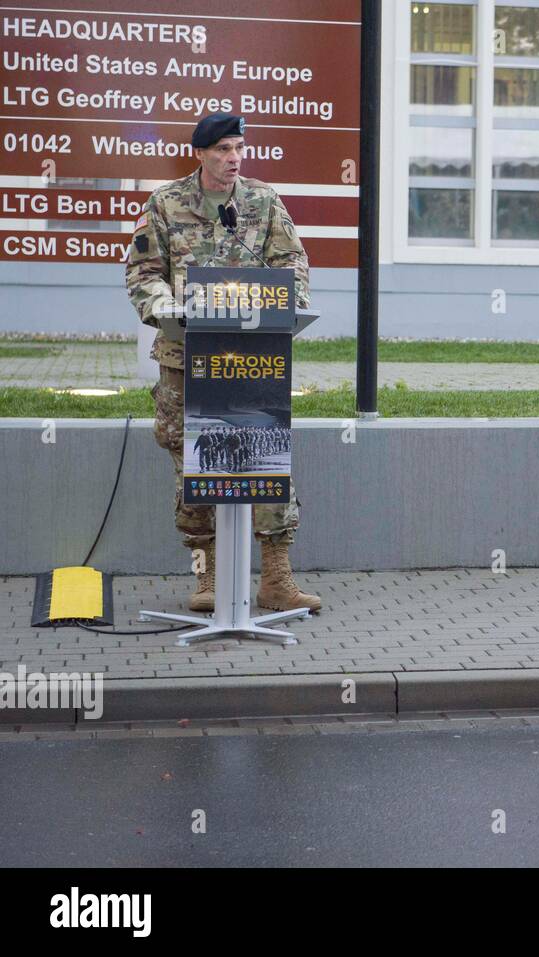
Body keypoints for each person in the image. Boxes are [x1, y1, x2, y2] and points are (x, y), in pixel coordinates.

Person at [125, 112, 321, 615]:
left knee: (265, 456)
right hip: (186, 359)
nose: (234, 159)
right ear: (200, 153)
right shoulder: (165, 204)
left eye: (238, 148)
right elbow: (144, 271)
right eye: (223, 150)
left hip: (253, 359)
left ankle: (276, 578)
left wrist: (288, 300)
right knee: (195, 466)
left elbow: (292, 262)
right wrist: (164, 303)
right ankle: (207, 575)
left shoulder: (263, 200)